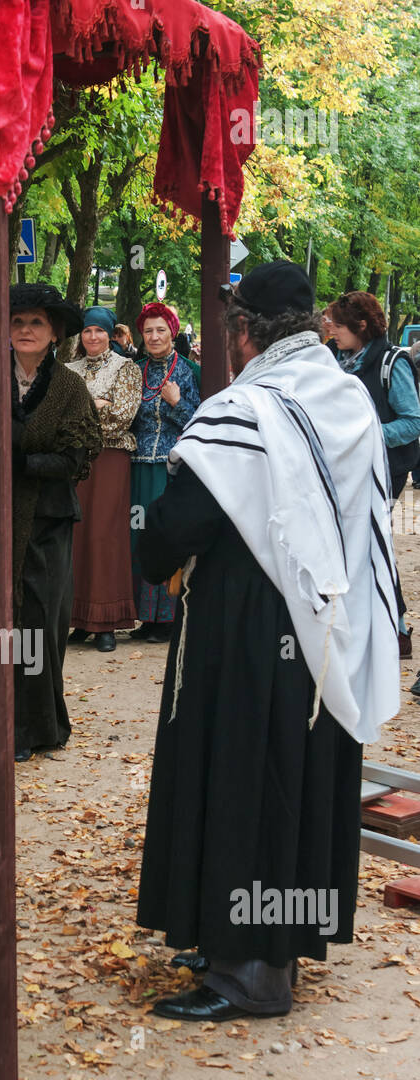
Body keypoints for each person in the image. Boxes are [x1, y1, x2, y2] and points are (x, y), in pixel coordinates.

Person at [136, 261, 400, 1020]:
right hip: (325, 630)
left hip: (248, 628)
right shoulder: (346, 396)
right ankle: (257, 939)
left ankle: (247, 969)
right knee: (298, 779)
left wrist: (155, 553)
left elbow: (178, 525)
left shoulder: (248, 406)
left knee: (243, 777)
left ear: (245, 331)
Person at [8, 282, 101, 761]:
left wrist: (21, 463)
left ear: (54, 333)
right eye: (18, 322)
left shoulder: (68, 387)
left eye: (36, 323)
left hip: (47, 521)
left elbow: (75, 457)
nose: (26, 330)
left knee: (39, 621)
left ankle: (35, 727)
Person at [329, 291, 420, 659]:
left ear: (361, 326)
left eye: (338, 325)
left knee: (371, 543)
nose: (331, 330)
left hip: (384, 470)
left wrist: (365, 434)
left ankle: (395, 629)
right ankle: (372, 626)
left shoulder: (390, 361)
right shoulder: (335, 359)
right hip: (344, 467)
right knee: (353, 543)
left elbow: (412, 422)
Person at [66, 306, 141, 652]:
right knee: (77, 535)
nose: (93, 337)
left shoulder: (126, 368)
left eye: (99, 331)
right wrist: (95, 405)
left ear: (110, 334)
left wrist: (89, 411)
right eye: (87, 331)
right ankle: (80, 618)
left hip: (111, 457)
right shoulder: (67, 370)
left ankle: (107, 623)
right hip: (75, 459)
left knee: (105, 535)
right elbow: (61, 418)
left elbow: (122, 417)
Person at [129, 302, 200, 642]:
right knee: (139, 534)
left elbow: (200, 422)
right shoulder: (135, 369)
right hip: (138, 466)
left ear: (172, 331)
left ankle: (170, 617)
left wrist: (176, 403)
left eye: (160, 330)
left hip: (173, 467)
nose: (154, 336)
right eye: (148, 331)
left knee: (168, 533)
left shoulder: (189, 371)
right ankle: (146, 616)